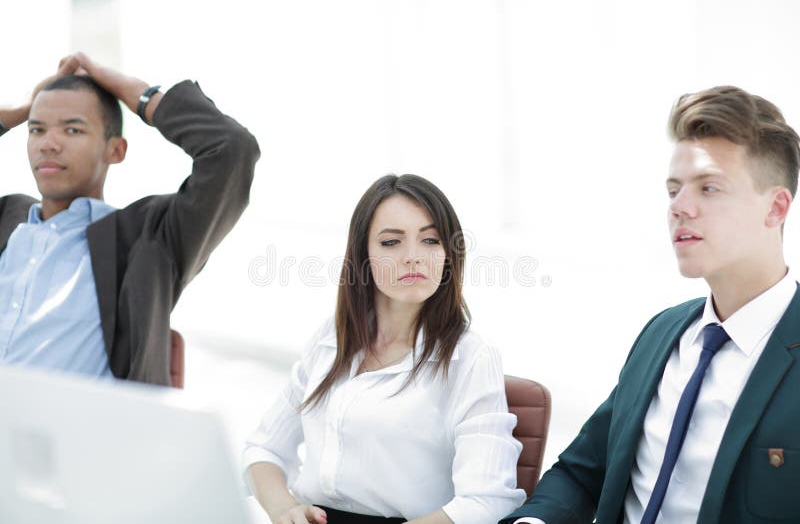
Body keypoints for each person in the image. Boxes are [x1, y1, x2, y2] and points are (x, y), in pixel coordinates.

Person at [503, 85, 800, 524]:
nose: (680, 207)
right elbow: (584, 472)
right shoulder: (663, 334)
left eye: (709, 188)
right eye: (673, 190)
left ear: (775, 208)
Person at [244, 174, 526, 524]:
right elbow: (264, 449)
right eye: (392, 243)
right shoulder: (331, 338)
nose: (413, 258)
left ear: (449, 254)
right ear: (363, 254)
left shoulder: (469, 356)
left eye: (431, 240)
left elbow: (485, 501)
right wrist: (283, 509)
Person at [0, 53, 259, 384]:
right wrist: (19, 109)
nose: (48, 144)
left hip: (86, 431)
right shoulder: (7, 220)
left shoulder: (148, 239)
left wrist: (139, 95)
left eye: (73, 130)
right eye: (36, 130)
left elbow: (231, 151)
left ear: (116, 150)